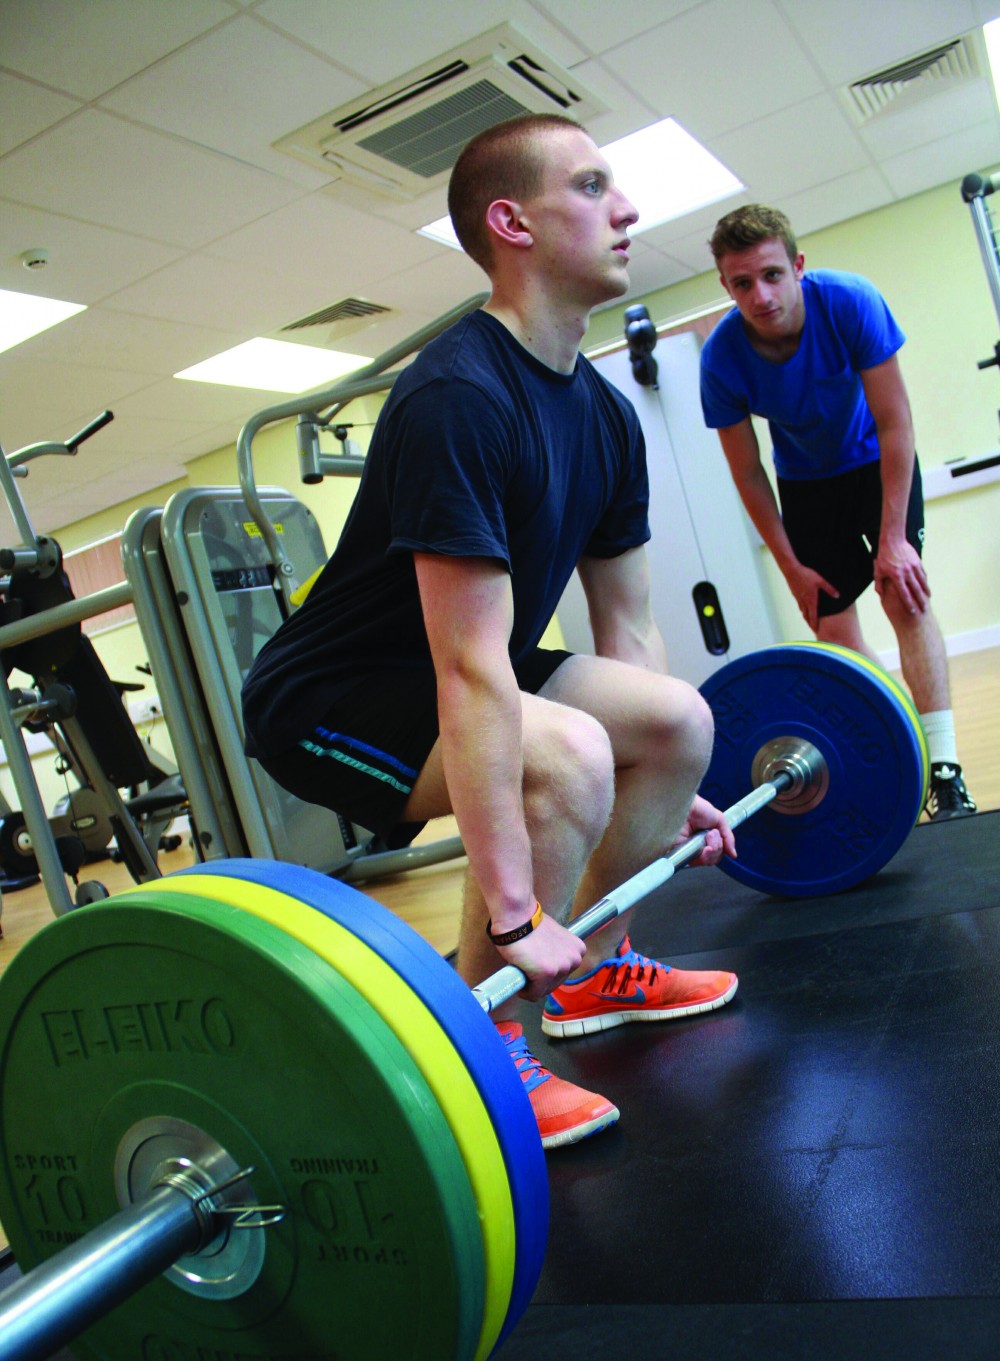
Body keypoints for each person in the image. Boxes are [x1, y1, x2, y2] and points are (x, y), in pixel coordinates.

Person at [242, 114, 739, 1151]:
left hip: (467, 672)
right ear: (510, 222)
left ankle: (596, 973)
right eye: (594, 186)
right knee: (558, 757)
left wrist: (659, 772)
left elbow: (627, 626)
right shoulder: (456, 398)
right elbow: (471, 673)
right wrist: (512, 916)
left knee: (677, 719)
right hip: (332, 696)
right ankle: (483, 1044)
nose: (629, 210)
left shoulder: (601, 417)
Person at [700, 204, 976, 822]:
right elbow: (748, 472)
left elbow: (895, 421)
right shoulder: (721, 359)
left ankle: (948, 771)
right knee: (834, 631)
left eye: (772, 275)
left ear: (798, 266)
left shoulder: (850, 301)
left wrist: (895, 540)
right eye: (742, 283)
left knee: (905, 595)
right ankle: (911, 746)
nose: (761, 295)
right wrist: (792, 566)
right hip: (805, 485)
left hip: (878, 464)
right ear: (726, 286)